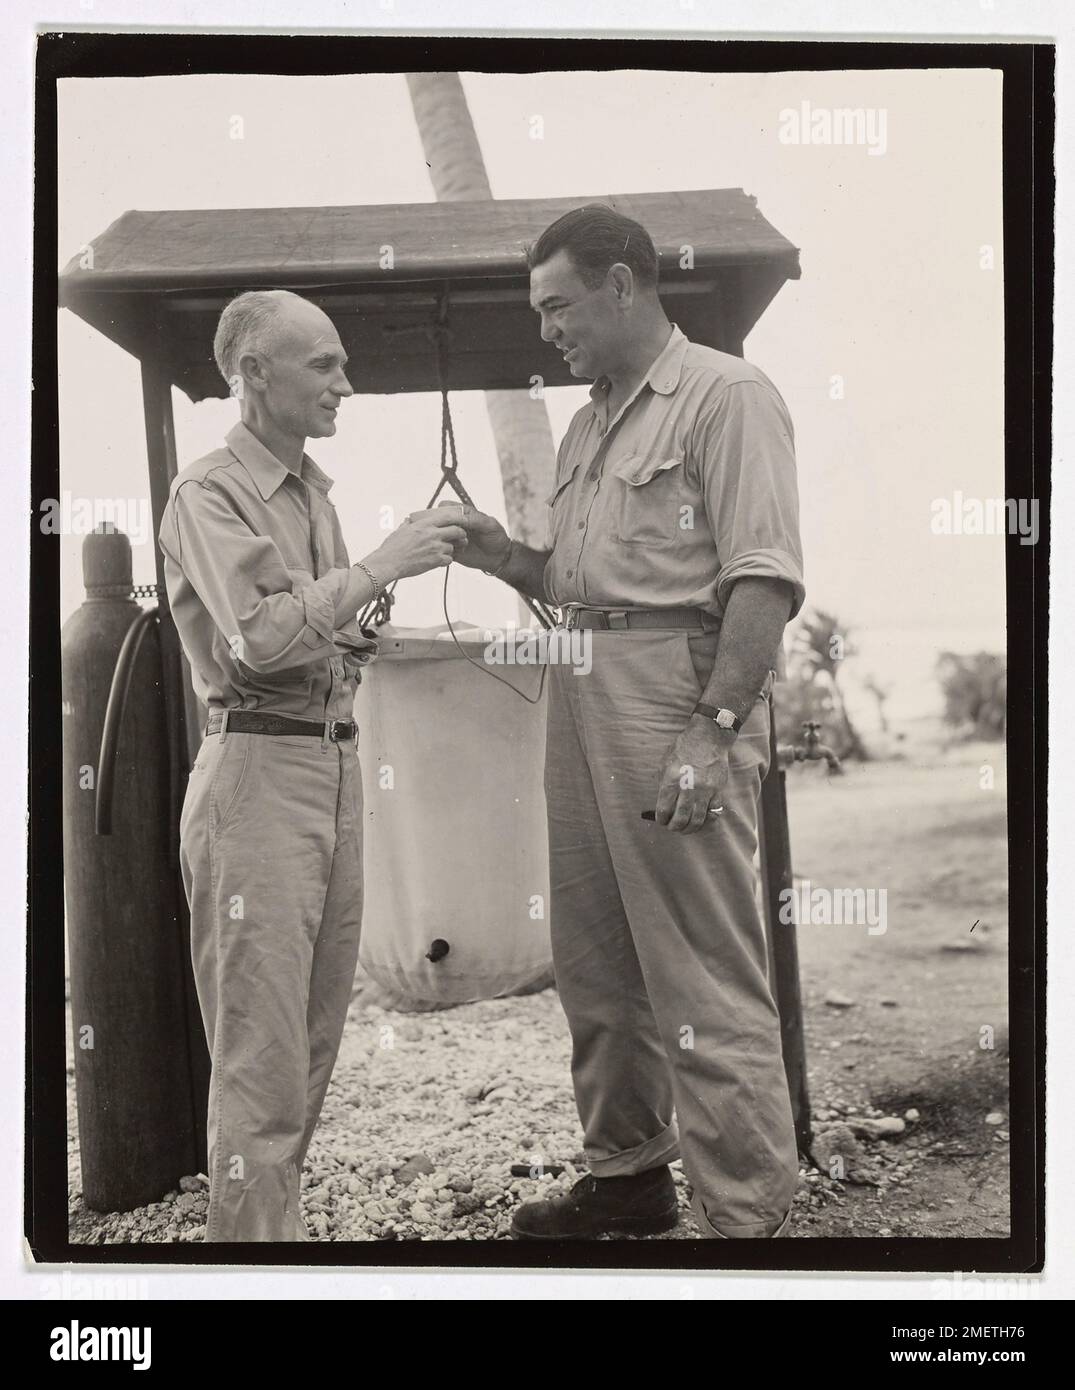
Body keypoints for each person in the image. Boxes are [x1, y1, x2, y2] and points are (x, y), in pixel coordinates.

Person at [454, 206, 806, 1239]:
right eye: (538, 311)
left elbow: (762, 577)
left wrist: (713, 726)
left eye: (558, 306)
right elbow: (572, 580)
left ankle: (744, 1218)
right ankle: (628, 1177)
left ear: (622, 285)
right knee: (596, 956)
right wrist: (495, 552)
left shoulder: (725, 395)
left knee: (700, 963)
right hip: (581, 679)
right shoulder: (587, 421)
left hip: (674, 692)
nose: (547, 331)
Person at [158, 289, 466, 1241]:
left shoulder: (310, 494)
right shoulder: (208, 492)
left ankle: (271, 1241)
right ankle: (252, 1262)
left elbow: (314, 635)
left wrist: (350, 621)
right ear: (254, 375)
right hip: (257, 779)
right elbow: (261, 639)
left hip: (329, 768)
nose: (347, 383)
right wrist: (380, 567)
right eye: (323, 365)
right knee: (261, 1053)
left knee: (309, 1044)